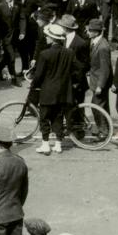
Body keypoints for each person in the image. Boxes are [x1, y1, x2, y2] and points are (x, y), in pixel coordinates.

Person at [30, 23, 75, 155]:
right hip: (63, 92)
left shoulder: (44, 54)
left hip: (48, 91)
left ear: (52, 38)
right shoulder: (69, 53)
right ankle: (58, 144)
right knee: (58, 117)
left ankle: (45, 144)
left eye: (48, 36)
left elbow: (39, 75)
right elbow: (76, 69)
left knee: (44, 117)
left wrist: (34, 84)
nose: (46, 38)